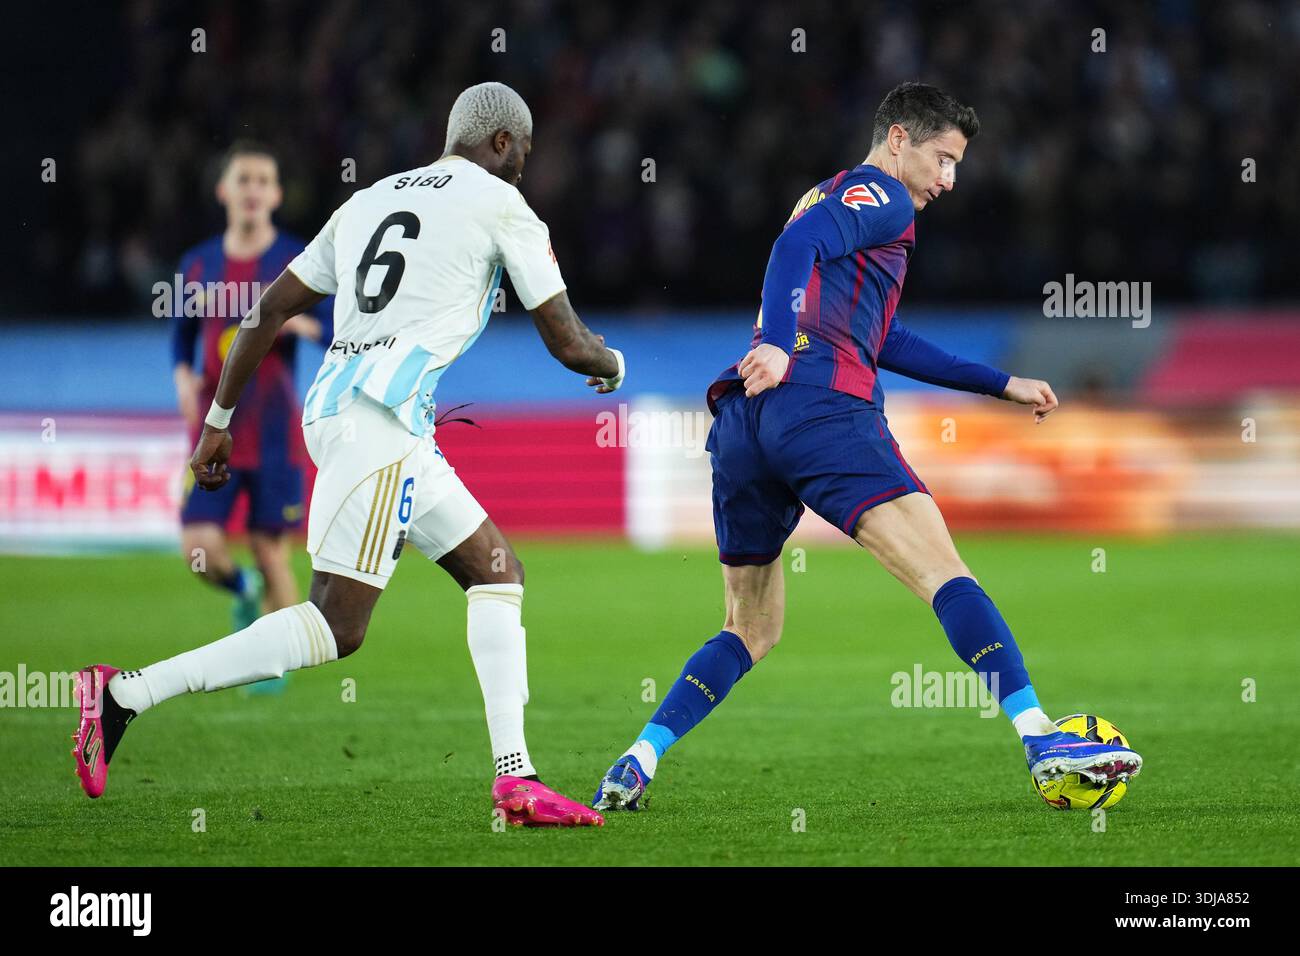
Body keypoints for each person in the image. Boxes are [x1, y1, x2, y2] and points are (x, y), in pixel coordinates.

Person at [74, 82, 620, 827]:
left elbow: (265, 312)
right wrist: (613, 365)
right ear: (499, 142)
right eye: (522, 150)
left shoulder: (368, 201)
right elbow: (567, 341)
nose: (525, 164)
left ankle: (515, 778)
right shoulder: (503, 205)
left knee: (497, 572)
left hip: (363, 412)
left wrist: (216, 422)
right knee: (336, 627)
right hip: (378, 421)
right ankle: (125, 694)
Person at [592, 82, 1142, 812]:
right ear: (898, 141)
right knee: (947, 574)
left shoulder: (830, 197)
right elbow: (796, 249)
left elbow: (881, 335)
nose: (949, 179)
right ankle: (1043, 738)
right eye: (943, 159)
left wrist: (997, 382)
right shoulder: (878, 195)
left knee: (750, 628)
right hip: (822, 410)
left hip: (747, 426)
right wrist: (783, 346)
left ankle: (638, 759)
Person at [171, 143, 332, 692]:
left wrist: (299, 327)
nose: (253, 189)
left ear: (277, 194)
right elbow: (182, 340)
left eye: (263, 180)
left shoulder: (297, 258)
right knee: (197, 547)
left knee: (271, 549)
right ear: (224, 191)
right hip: (216, 431)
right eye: (243, 179)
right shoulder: (198, 264)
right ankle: (240, 591)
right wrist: (182, 383)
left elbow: (335, 328)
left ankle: (279, 669)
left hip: (273, 431)